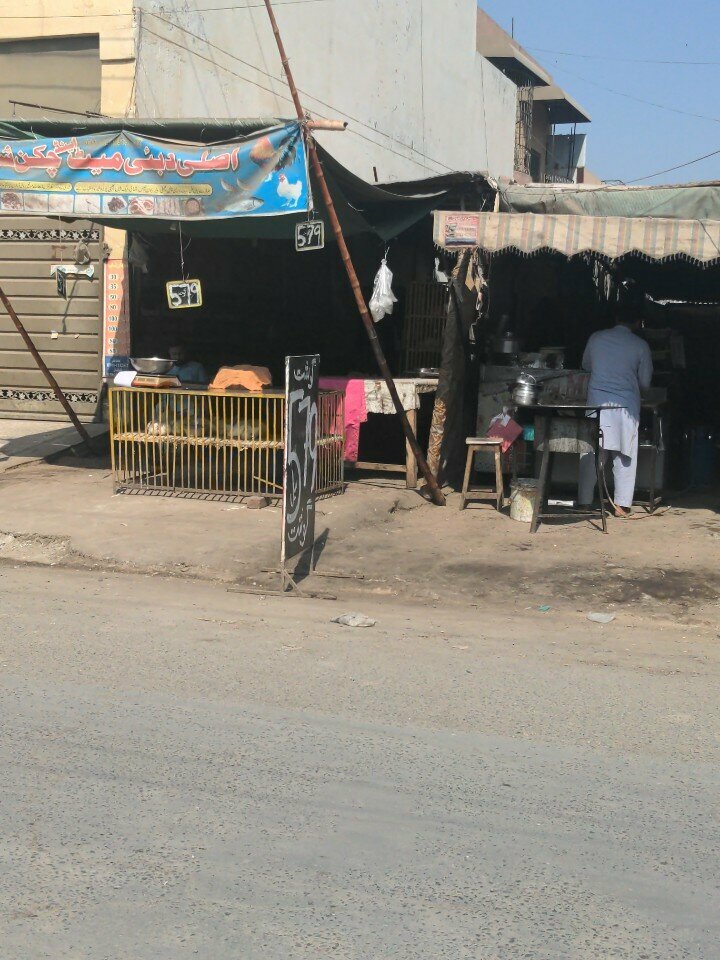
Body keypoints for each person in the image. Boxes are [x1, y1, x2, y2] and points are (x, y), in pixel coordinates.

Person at [578, 306, 653, 517]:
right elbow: (645, 383)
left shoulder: (596, 338)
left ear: (616, 317)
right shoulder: (640, 345)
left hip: (596, 404)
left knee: (592, 452)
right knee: (624, 454)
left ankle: (584, 501)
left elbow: (585, 365)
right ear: (638, 323)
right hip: (625, 407)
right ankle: (621, 505)